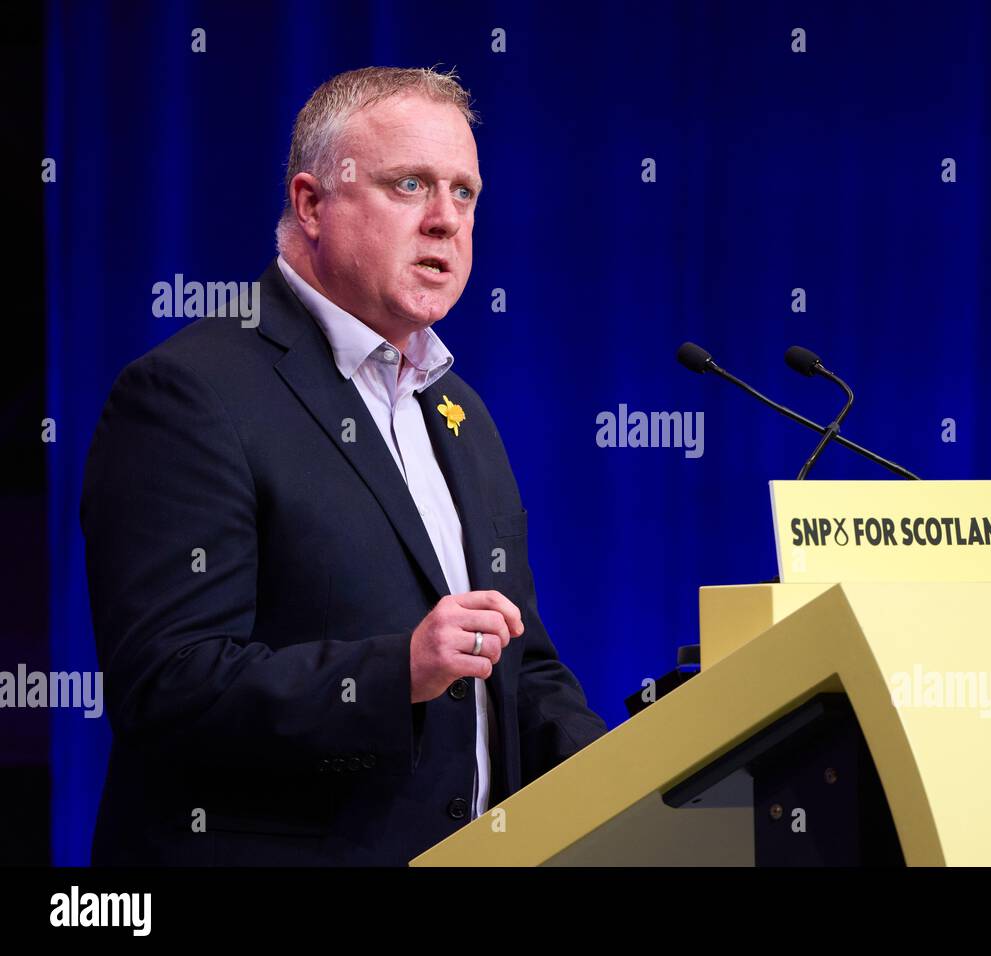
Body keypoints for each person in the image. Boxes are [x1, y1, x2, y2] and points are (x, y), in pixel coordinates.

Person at [80, 66, 607, 866]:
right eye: (410, 185)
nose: (445, 222)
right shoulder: (189, 394)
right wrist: (395, 671)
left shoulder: (457, 409)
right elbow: (168, 687)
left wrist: (640, 778)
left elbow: (521, 663)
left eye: (465, 193)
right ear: (311, 203)